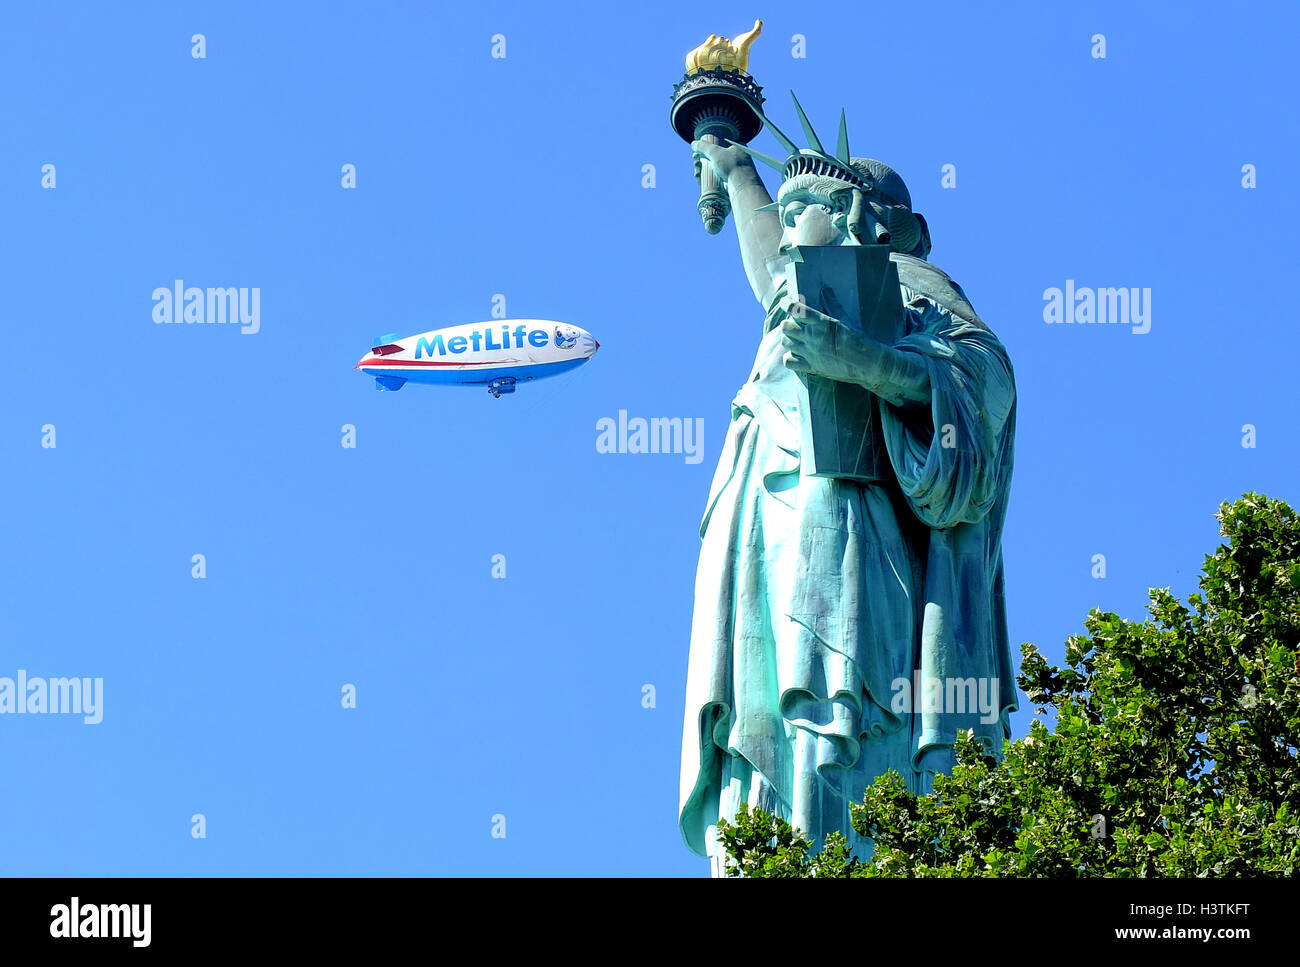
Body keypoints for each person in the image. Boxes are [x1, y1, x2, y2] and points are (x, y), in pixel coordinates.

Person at [678, 110, 1019, 876]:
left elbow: (983, 387)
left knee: (841, 735)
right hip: (771, 537)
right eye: (790, 210)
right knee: (774, 739)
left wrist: (866, 362)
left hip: (861, 556)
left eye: (812, 210)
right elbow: (772, 270)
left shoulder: (919, 291)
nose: (792, 226)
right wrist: (737, 174)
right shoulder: (793, 304)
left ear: (880, 224)